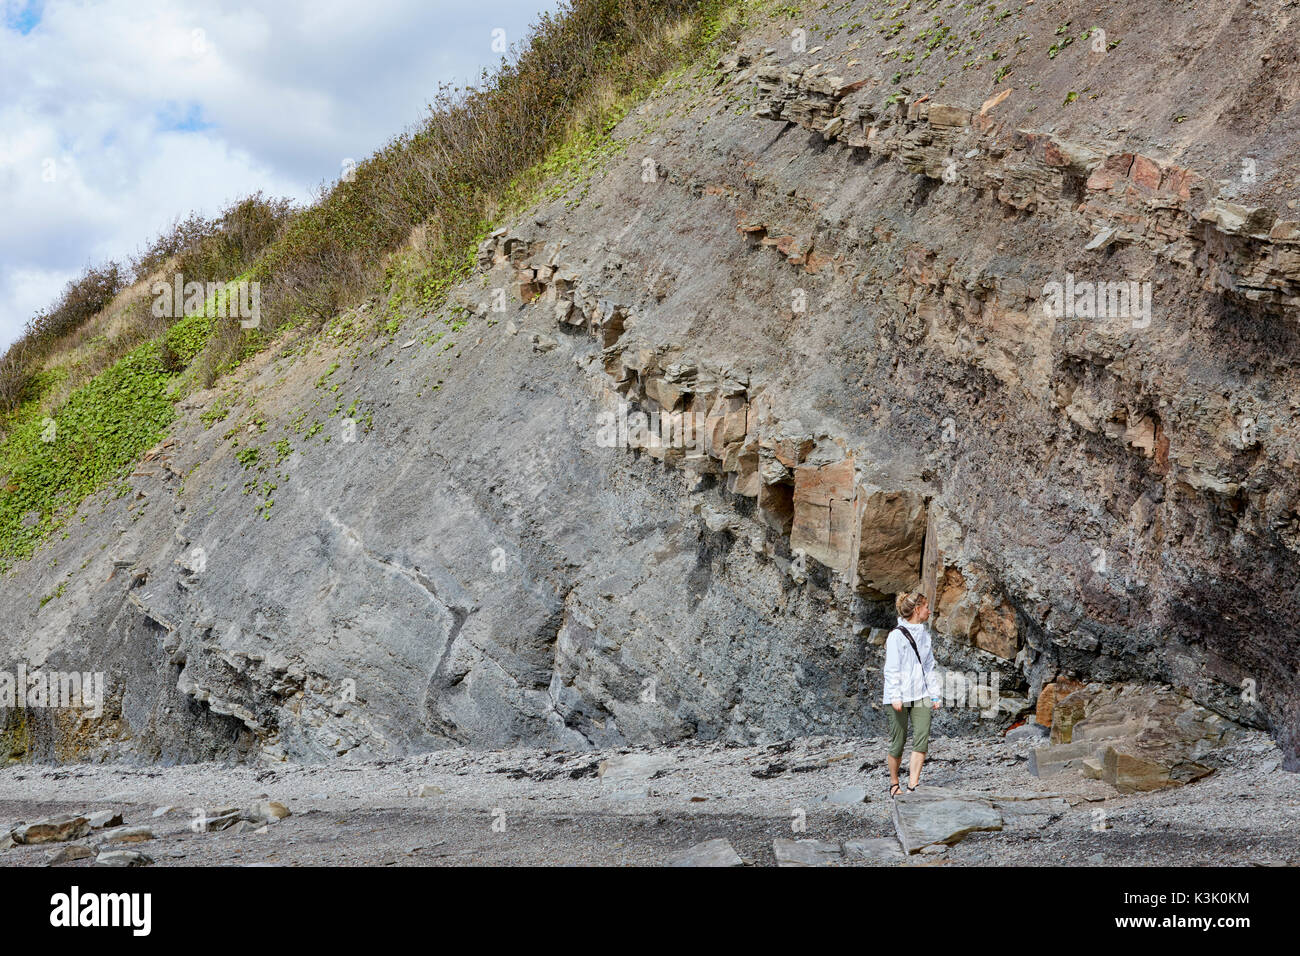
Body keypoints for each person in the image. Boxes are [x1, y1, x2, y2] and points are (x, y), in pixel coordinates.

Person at [882, 589, 942, 797]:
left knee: (922, 738)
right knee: (898, 741)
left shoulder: (925, 635)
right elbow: (891, 669)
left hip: (921, 694)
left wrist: (934, 695)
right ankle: (894, 783)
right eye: (926, 606)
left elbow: (928, 667)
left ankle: (913, 785)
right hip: (898, 696)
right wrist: (895, 696)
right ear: (917, 609)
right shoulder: (895, 636)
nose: (929, 610)